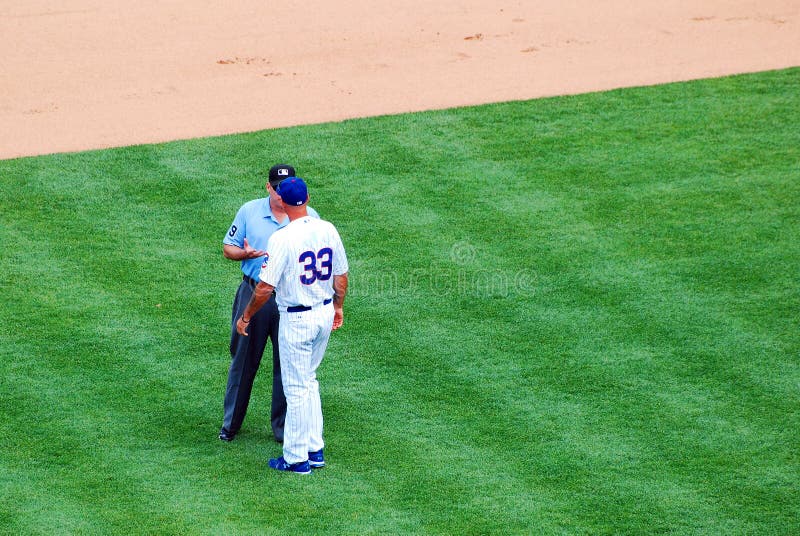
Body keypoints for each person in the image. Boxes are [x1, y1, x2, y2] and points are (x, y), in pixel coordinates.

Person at [236, 177, 348, 474]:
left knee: (296, 387)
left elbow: (263, 288)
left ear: (282, 203)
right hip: (324, 313)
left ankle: (296, 458)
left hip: (297, 319)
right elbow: (342, 276)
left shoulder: (282, 237)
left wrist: (246, 316)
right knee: (309, 381)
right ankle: (315, 448)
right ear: (308, 198)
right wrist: (338, 307)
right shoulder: (328, 228)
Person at [220, 164, 320, 443]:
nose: (280, 194)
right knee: (242, 361)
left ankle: (284, 428)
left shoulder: (309, 217)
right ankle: (230, 425)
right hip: (253, 293)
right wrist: (244, 254)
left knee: (287, 364)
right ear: (268, 187)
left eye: (285, 189)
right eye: (277, 188)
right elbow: (228, 247)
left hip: (292, 300)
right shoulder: (250, 211)